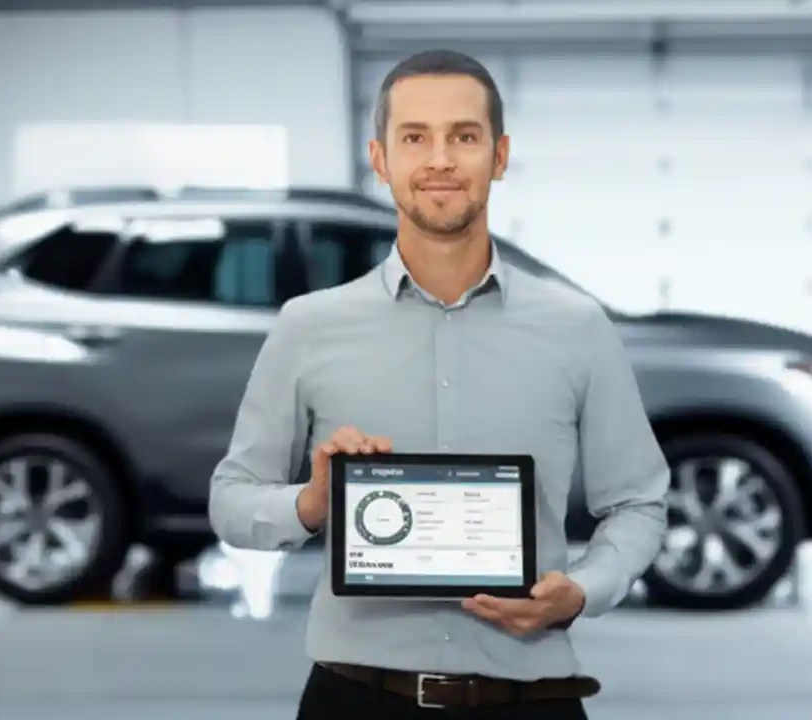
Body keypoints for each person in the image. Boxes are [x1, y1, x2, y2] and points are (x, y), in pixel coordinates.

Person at [208, 49, 670, 719]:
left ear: (500, 156)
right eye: (415, 137)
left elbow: (638, 503)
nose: (441, 160)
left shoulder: (577, 328)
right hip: (356, 700)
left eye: (465, 136)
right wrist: (311, 502)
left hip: (529, 699)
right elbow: (231, 499)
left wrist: (583, 590)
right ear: (380, 158)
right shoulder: (307, 327)